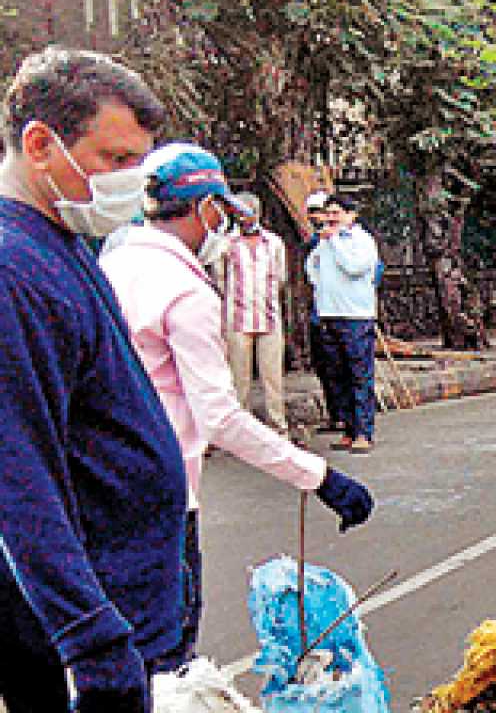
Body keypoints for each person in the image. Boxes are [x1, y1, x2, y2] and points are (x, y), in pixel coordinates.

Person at [100, 142, 375, 671]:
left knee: (111, 656)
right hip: (161, 496)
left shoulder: (107, 266)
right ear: (207, 209)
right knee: (166, 663)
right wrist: (319, 477)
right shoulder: (184, 290)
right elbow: (218, 416)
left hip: (94, 488)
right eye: (220, 212)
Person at [0, 46, 187, 712]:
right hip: (85, 646)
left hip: (129, 616)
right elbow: (18, 479)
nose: (131, 184)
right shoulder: (12, 268)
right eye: (115, 161)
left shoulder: (64, 247)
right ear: (41, 145)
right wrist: (92, 643)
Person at [210, 191, 290, 433]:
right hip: (238, 317)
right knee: (238, 379)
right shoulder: (226, 243)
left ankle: (278, 427)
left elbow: (280, 277)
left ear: (257, 213)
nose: (245, 217)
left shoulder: (274, 243)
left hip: (269, 317)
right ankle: (241, 431)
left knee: (272, 377)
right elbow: (220, 278)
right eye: (240, 212)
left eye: (249, 211)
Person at [307, 192, 380, 453]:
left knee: (359, 375)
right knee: (338, 376)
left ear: (352, 216)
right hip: (329, 314)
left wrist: (335, 241)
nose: (330, 218)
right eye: (328, 214)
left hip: (356, 317)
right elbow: (312, 272)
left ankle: (364, 431)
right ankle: (348, 429)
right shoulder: (324, 242)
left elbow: (353, 267)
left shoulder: (362, 241)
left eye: (336, 213)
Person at [304, 191, 345, 433]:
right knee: (324, 366)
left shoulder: (348, 238)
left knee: (342, 366)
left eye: (320, 211)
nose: (316, 217)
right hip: (319, 311)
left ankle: (348, 417)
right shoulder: (313, 242)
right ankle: (334, 414)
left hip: (342, 312)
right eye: (313, 212)